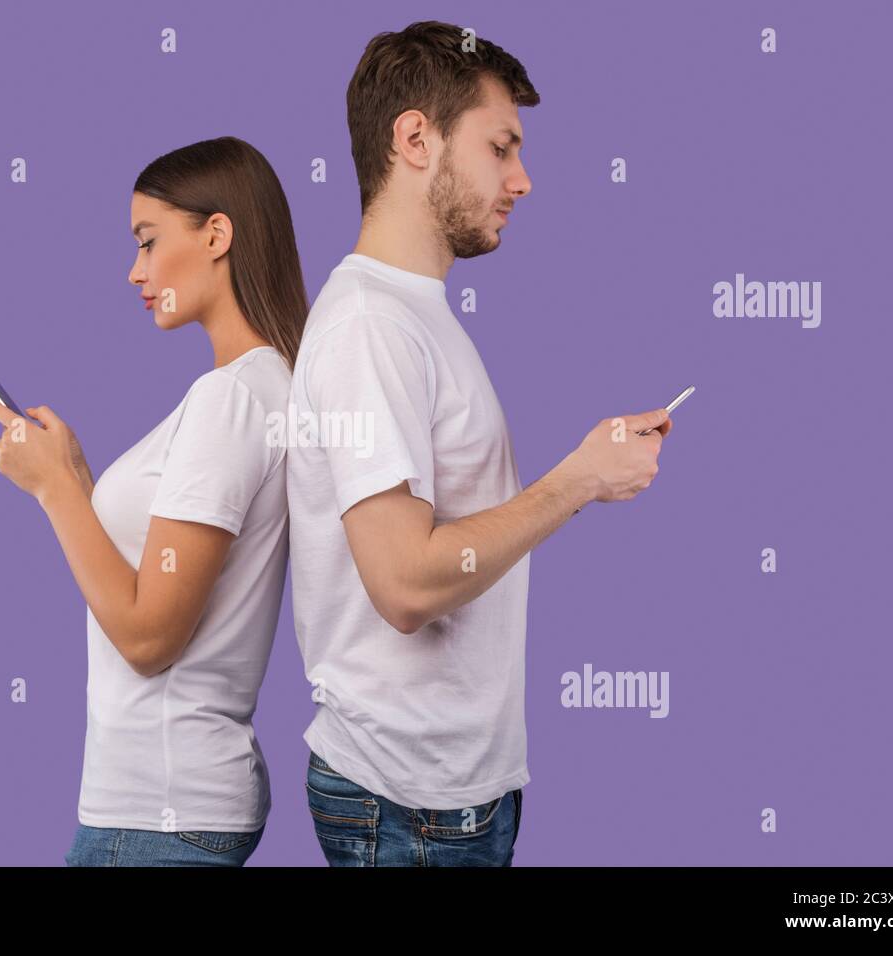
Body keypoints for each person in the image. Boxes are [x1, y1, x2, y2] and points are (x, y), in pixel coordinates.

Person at [288, 21, 674, 866]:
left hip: (450, 797)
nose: (523, 180)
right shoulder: (369, 328)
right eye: (501, 147)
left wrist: (588, 471)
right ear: (416, 138)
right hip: (409, 806)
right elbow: (404, 584)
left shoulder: (413, 314)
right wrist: (577, 481)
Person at [0, 136, 307, 866]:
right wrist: (78, 477)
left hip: (154, 814)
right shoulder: (265, 387)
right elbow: (167, 570)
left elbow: (149, 637)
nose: (135, 271)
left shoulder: (229, 400)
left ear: (217, 234)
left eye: (148, 241)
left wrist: (55, 488)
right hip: (173, 801)